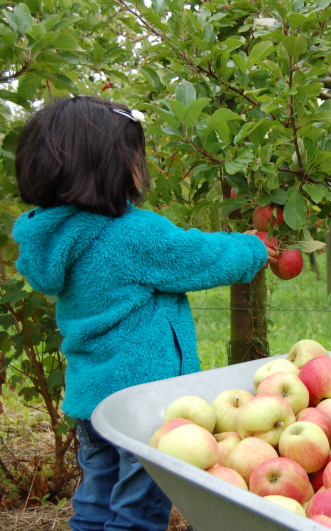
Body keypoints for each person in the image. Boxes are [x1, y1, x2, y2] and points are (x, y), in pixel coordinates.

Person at [12, 96, 278, 531]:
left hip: (91, 401)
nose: (141, 168)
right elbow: (200, 257)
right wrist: (252, 247)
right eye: (135, 157)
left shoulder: (54, 236)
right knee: (138, 512)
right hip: (142, 404)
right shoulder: (132, 234)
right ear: (109, 166)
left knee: (96, 498)